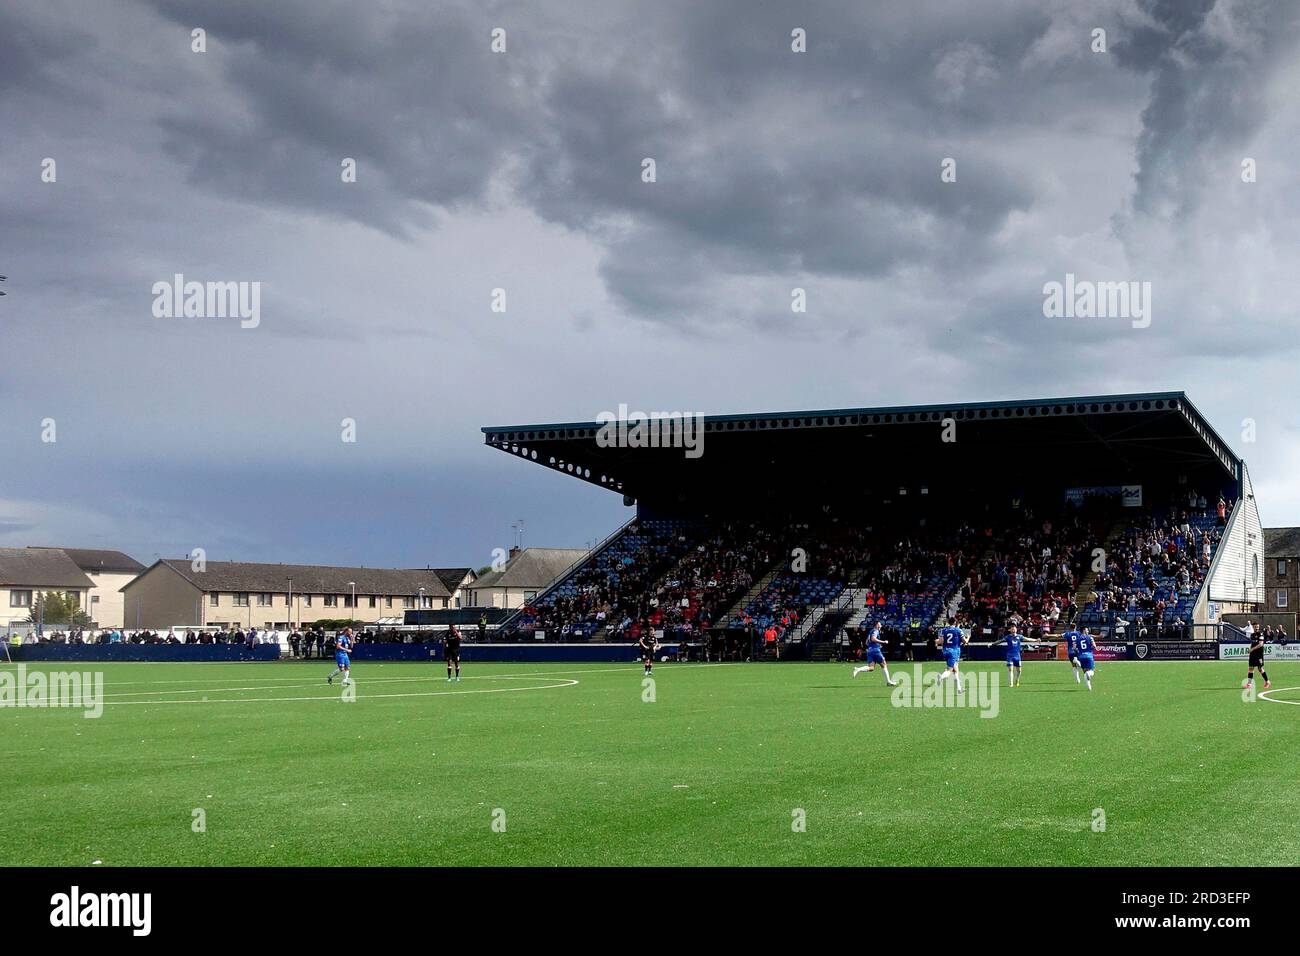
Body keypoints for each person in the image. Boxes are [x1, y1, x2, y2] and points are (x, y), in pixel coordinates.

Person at [851, 621, 898, 685]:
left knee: (871, 668)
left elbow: (867, 643)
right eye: (879, 624)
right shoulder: (875, 631)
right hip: (875, 651)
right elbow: (873, 639)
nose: (880, 626)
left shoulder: (870, 631)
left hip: (870, 650)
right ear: (876, 625)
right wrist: (883, 642)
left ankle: (858, 669)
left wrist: (876, 645)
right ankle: (888, 682)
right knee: (884, 664)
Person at [936, 617, 966, 693]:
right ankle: (941, 676)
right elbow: (964, 642)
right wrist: (968, 637)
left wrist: (936, 641)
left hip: (945, 651)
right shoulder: (958, 630)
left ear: (948, 622)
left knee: (955, 669)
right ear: (955, 622)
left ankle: (959, 689)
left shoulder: (944, 630)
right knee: (950, 670)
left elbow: (940, 641)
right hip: (954, 652)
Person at [1000, 622, 1024, 687]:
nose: (1013, 630)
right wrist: (992, 644)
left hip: (1017, 656)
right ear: (1010, 630)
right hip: (1010, 655)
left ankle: (1017, 680)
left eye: (1014, 629)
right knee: (1010, 669)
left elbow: (1028, 639)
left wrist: (1036, 639)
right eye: (1012, 629)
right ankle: (1011, 683)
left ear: (1016, 629)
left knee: (1019, 670)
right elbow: (1000, 641)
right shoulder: (1008, 637)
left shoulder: (1019, 636)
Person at [1076, 626, 1097, 691]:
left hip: (1081, 657)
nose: (1088, 631)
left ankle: (1089, 687)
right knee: (1091, 671)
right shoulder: (1090, 637)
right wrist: (1093, 648)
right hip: (1089, 656)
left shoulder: (1077, 639)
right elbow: (1094, 646)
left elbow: (1074, 648)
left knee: (1085, 672)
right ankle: (1089, 674)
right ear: (1084, 630)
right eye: (1087, 630)